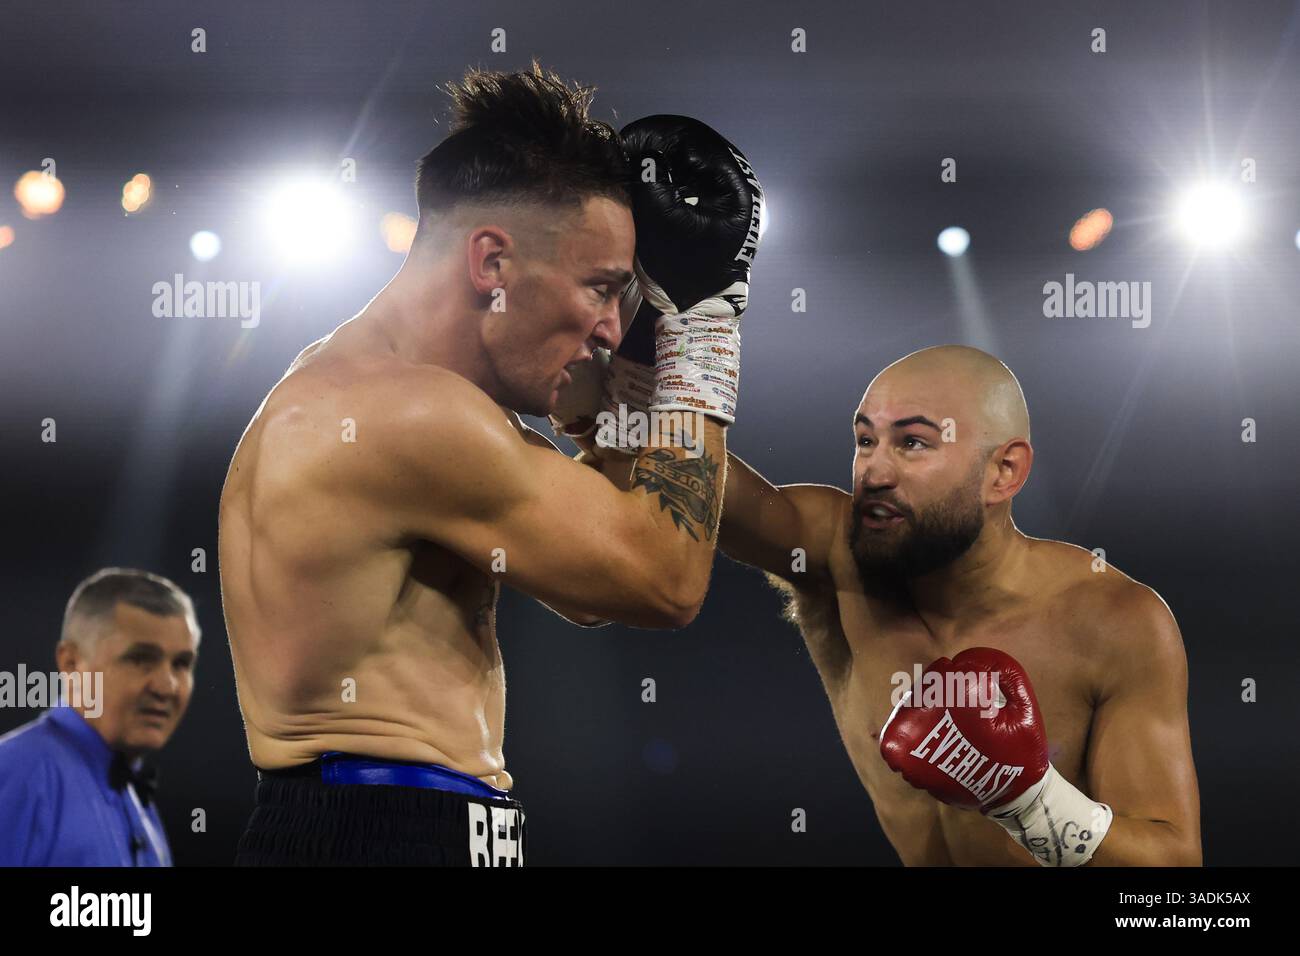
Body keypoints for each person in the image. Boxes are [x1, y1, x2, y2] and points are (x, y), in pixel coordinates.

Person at [219, 62, 763, 865]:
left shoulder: (387, 396)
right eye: (602, 287)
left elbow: (591, 585)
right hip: (377, 834)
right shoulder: (407, 418)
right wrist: (705, 326)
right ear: (492, 264)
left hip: (393, 821)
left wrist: (626, 374)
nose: (614, 326)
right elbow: (663, 579)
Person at [718, 344, 1201, 865]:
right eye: (865, 440)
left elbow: (1173, 871)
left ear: (1004, 472)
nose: (873, 473)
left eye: (913, 443)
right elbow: (698, 486)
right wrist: (633, 378)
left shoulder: (1113, 619)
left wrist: (1029, 800)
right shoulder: (838, 553)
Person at [0, 568, 198, 866]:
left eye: (181, 664)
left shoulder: (136, 798)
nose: (166, 686)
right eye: (140, 658)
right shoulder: (18, 774)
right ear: (71, 663)